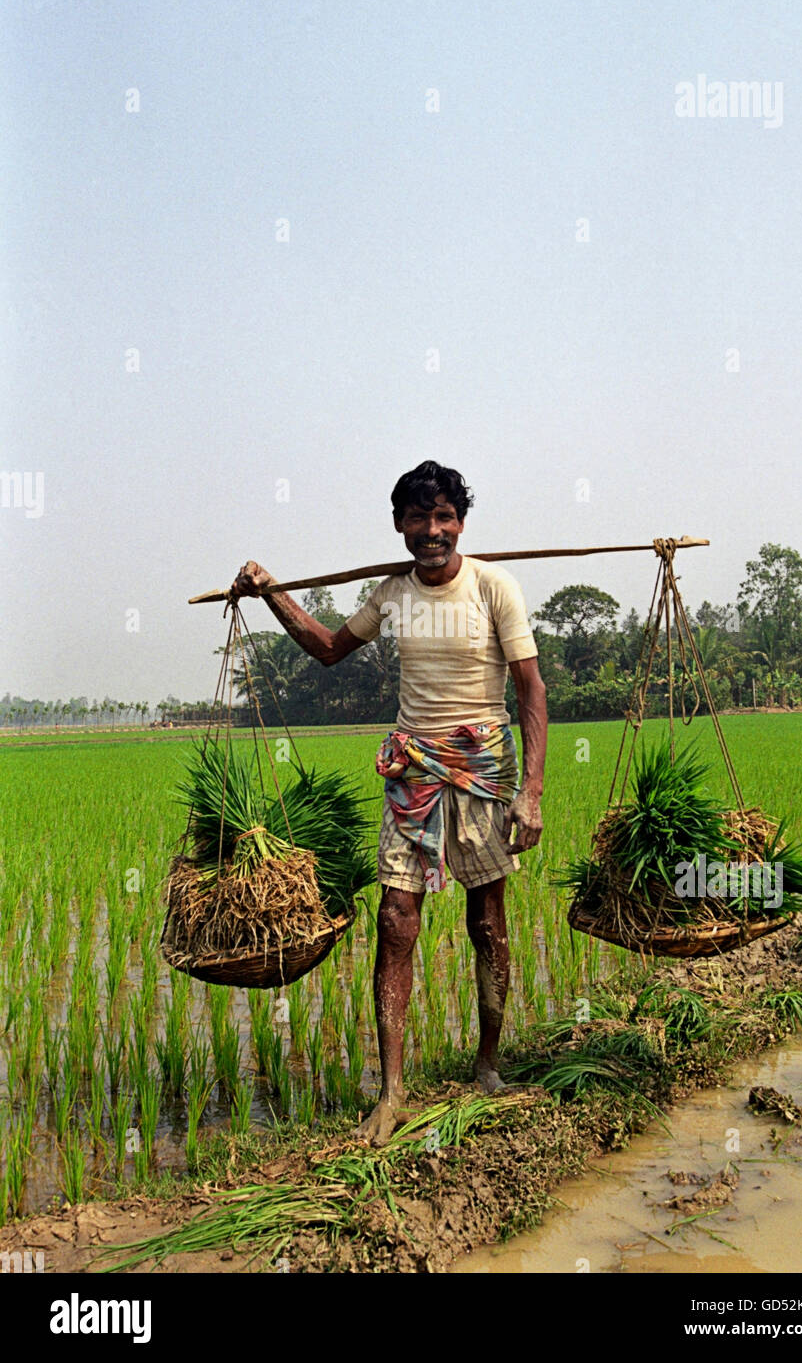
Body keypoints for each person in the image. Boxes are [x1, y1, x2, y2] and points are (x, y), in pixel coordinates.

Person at [231, 459, 547, 1144]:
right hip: (411, 769)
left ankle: (488, 1065)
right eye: (417, 517)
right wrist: (270, 591)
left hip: (481, 766)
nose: (431, 530)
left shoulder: (494, 586)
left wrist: (530, 792)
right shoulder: (393, 594)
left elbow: (530, 689)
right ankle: (392, 1090)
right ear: (399, 524)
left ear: (460, 522)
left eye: (443, 517)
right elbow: (326, 650)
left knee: (487, 922)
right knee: (395, 921)